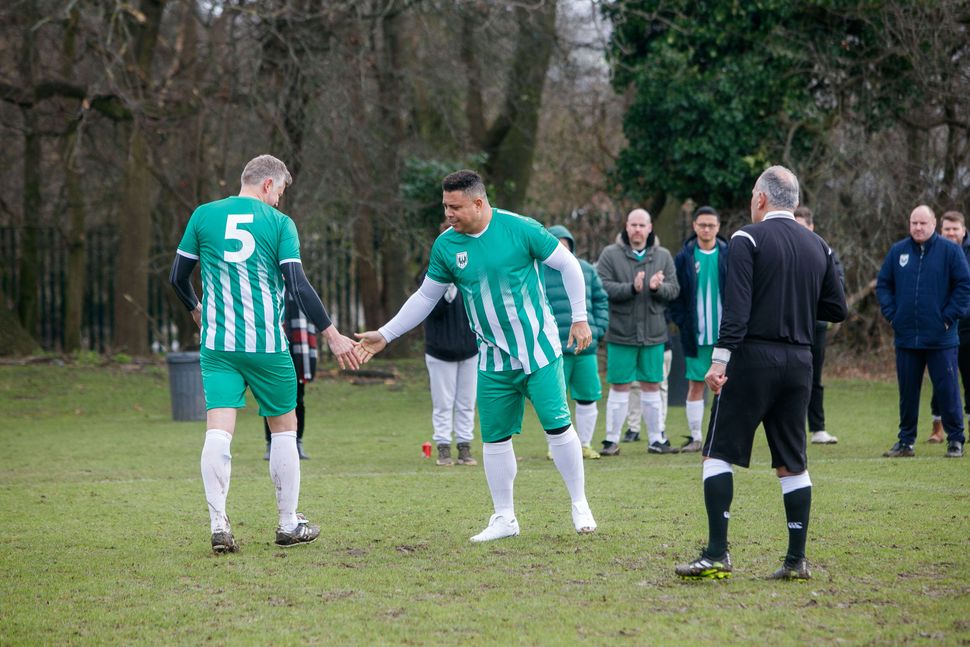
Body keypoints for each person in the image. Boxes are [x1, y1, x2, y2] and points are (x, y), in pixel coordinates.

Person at [355, 170, 597, 541]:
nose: (449, 214)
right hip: (493, 357)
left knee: (557, 427)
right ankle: (504, 518)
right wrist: (386, 334)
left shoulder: (520, 228)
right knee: (495, 439)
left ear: (479, 203)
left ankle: (579, 503)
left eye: (455, 207)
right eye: (445, 206)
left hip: (538, 350)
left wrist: (579, 319)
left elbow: (568, 266)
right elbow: (425, 297)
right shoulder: (447, 246)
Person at [169, 154, 360, 554]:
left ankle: (219, 525)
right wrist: (332, 334)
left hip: (219, 346)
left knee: (218, 430)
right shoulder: (279, 224)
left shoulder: (204, 215)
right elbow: (297, 283)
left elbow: (177, 276)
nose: (280, 202)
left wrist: (196, 309)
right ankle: (288, 524)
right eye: (281, 193)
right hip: (268, 347)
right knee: (284, 431)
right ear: (268, 185)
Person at [674, 166, 847, 581]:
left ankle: (717, 554)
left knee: (717, 454)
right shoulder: (819, 246)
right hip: (800, 362)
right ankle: (795, 561)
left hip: (753, 359)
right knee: (792, 462)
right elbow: (838, 309)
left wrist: (719, 362)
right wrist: (798, 307)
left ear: (762, 199)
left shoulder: (747, 239)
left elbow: (736, 310)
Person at [876, 205, 970, 459]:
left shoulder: (951, 252)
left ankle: (955, 440)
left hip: (941, 338)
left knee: (947, 389)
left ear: (933, 224)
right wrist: (893, 315)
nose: (918, 227)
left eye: (923, 223)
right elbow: (884, 284)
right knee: (908, 393)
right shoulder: (898, 252)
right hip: (907, 338)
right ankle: (906, 441)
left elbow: (964, 286)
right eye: (914, 223)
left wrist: (948, 318)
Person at [596, 209, 680, 456]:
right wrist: (631, 288)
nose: (637, 230)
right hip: (621, 333)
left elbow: (674, 289)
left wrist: (657, 288)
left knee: (652, 386)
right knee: (619, 386)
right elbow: (602, 287)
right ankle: (611, 441)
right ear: (626, 226)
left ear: (650, 227)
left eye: (642, 225)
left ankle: (657, 439)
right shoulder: (610, 254)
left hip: (654, 334)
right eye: (633, 225)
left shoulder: (663, 255)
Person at [544, 224, 610, 459]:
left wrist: (598, 329)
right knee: (554, 400)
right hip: (554, 350)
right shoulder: (538, 272)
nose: (562, 250)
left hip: (585, 349)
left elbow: (601, 301)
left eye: (566, 245)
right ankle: (556, 448)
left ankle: (584, 444)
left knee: (587, 396)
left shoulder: (585, 270)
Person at [669, 206, 728, 453]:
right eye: (702, 224)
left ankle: (722, 437)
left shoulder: (730, 254)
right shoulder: (683, 257)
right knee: (695, 384)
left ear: (718, 227)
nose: (706, 229)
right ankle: (695, 437)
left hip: (725, 338)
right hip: (696, 335)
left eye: (711, 225)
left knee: (725, 387)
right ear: (694, 226)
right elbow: (676, 296)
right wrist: (683, 322)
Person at [422, 243, 480, 467]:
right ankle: (443, 447)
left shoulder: (472, 277)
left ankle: (464, 446)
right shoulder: (430, 278)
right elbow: (428, 310)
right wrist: (447, 293)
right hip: (440, 351)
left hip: (469, 350)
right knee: (443, 402)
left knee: (466, 402)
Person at [794, 206, 845, 445]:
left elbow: (836, 285)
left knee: (814, 377)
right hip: (789, 325)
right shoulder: (784, 252)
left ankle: (818, 429)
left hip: (815, 326)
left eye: (802, 227)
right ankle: (791, 429)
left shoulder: (824, 251)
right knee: (788, 378)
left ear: (812, 227)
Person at [927, 211, 970, 444]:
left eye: (955, 229)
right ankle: (937, 427)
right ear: (941, 230)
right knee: (942, 379)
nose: (951, 233)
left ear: (964, 230)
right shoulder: (936, 252)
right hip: (943, 329)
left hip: (967, 328)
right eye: (947, 229)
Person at [262, 291, 317, 461]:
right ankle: (271, 444)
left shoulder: (299, 289)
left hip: (297, 351)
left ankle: (297, 442)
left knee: (298, 398)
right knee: (270, 397)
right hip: (272, 348)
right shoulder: (267, 285)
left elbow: (310, 324)